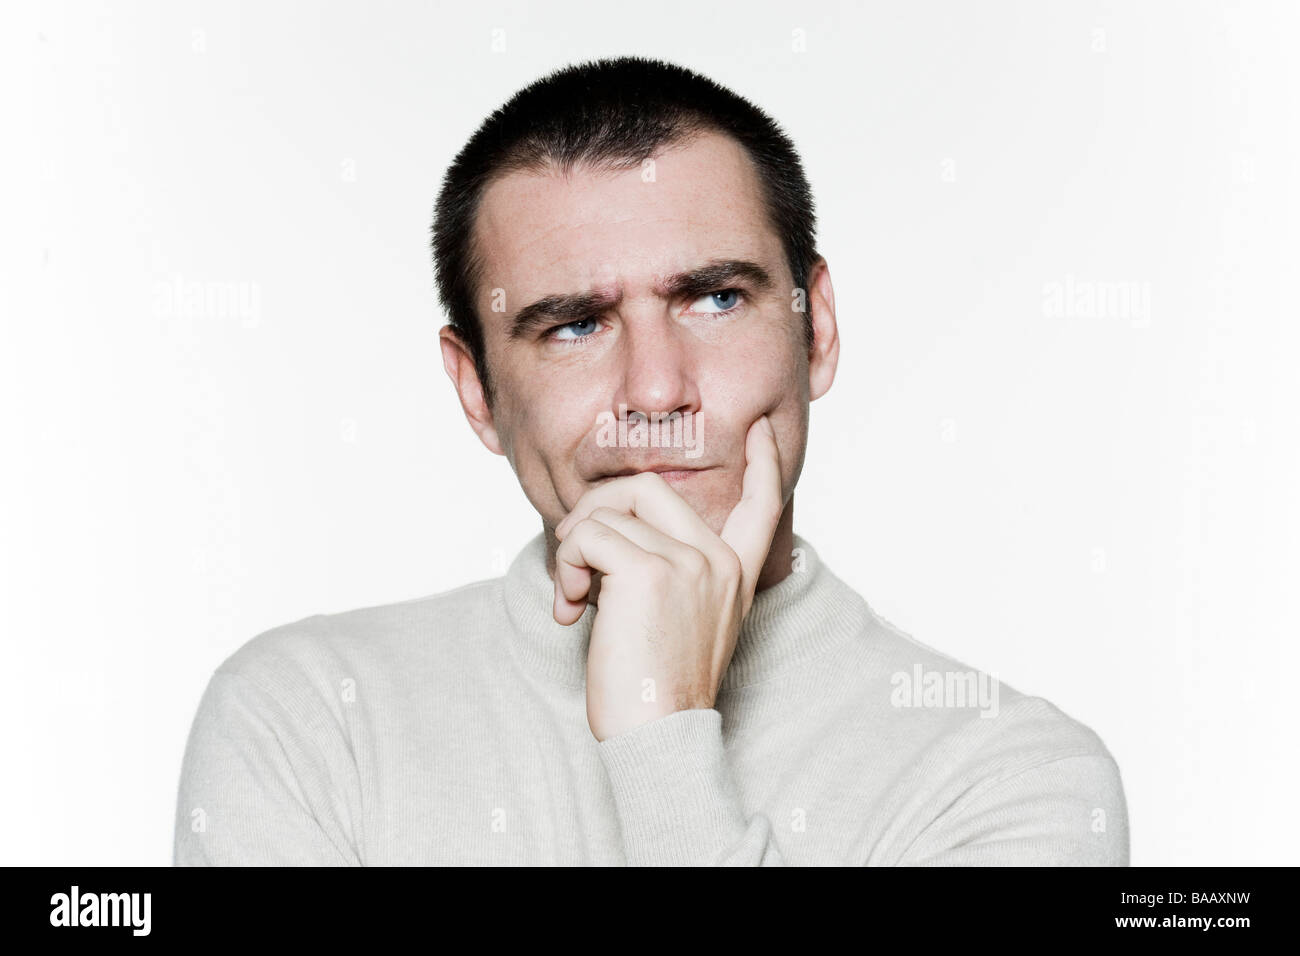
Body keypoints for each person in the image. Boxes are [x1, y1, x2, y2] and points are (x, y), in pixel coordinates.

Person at [173, 56, 1129, 866]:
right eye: (575, 325)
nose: (657, 390)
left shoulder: (1011, 781)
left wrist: (659, 733)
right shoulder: (307, 721)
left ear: (818, 327)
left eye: (715, 299)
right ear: (477, 392)